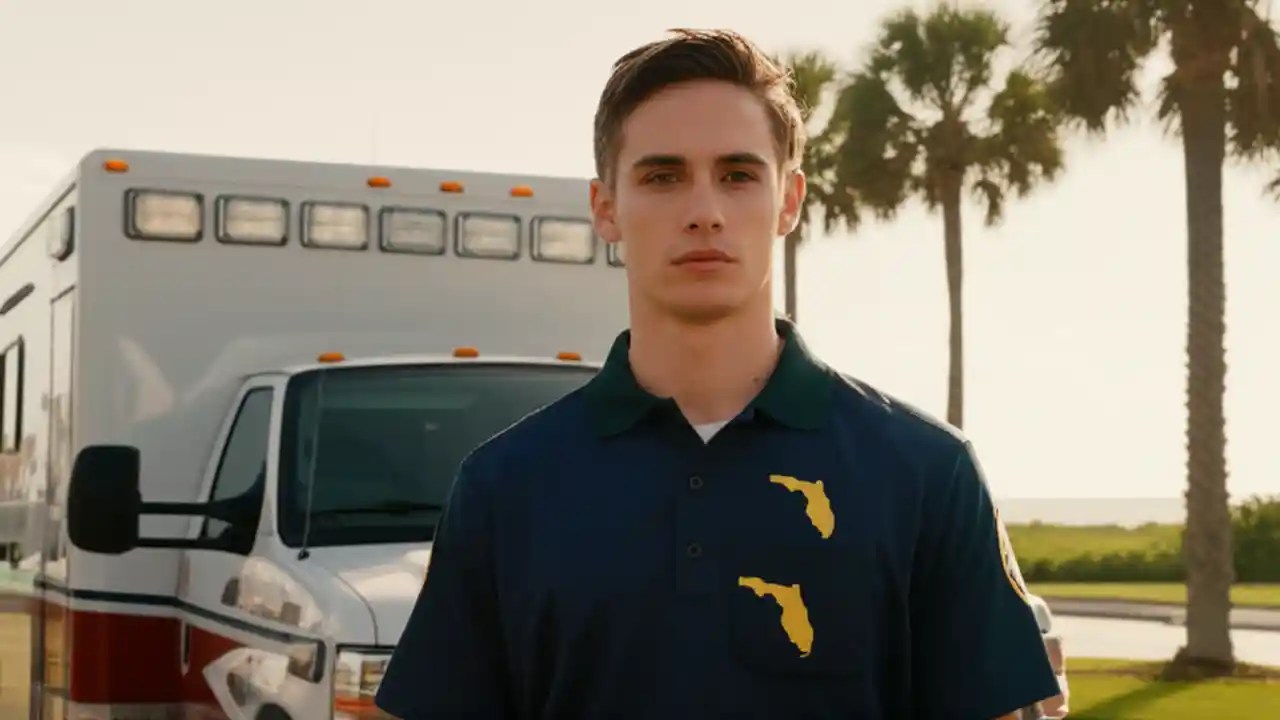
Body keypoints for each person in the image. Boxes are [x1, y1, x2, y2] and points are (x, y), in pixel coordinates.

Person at [374, 28, 1061, 720]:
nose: (704, 212)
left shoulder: (928, 474)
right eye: (662, 176)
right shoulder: (504, 488)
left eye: (737, 175)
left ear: (789, 201)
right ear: (606, 208)